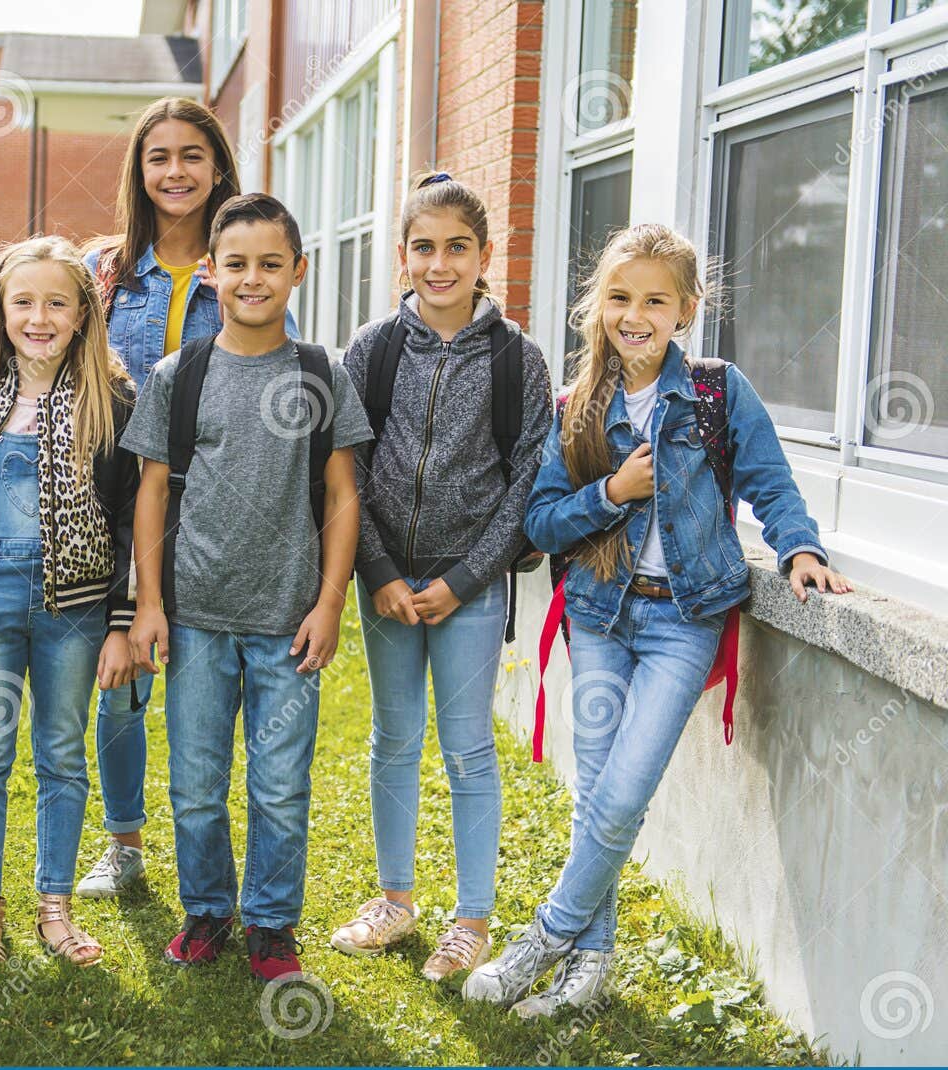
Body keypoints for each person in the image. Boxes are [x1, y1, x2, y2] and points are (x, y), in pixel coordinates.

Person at [464, 223, 851, 1017]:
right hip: (602, 615)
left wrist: (800, 547)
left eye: (654, 300)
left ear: (686, 310)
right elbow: (539, 524)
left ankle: (545, 935)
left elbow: (770, 481)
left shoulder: (715, 392)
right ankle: (590, 965)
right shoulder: (576, 408)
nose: (633, 315)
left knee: (622, 792)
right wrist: (613, 493)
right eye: (619, 297)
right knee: (596, 790)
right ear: (598, 304)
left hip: (683, 623)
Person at [123, 193, 372, 981]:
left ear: (299, 270)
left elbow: (342, 496)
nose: (253, 278)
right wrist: (152, 602)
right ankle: (207, 909)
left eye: (271, 264)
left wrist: (331, 602)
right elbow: (153, 490)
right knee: (196, 784)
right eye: (237, 264)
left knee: (278, 785)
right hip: (196, 616)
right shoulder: (179, 374)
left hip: (287, 620)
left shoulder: (320, 372)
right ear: (211, 273)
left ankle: (271, 922)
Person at [330, 172, 551, 981]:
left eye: (458, 246)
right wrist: (380, 570)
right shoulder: (373, 348)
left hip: (472, 582)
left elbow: (528, 481)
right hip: (386, 579)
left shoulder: (516, 359)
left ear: (485, 255)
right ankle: (394, 899)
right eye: (424, 246)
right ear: (402, 256)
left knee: (465, 748)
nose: (440, 262)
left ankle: (472, 918)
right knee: (394, 738)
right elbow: (345, 467)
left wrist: (463, 578)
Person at [78, 96, 296, 898]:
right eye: (158, 156)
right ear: (139, 169)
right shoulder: (106, 272)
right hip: (123, 497)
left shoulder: (245, 261)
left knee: (213, 686)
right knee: (122, 672)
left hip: (216, 509)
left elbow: (279, 385)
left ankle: (231, 857)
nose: (175, 171)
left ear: (218, 167)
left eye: (192, 156)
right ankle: (126, 844)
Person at [0, 236, 138, 969]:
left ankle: (55, 905)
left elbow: (130, 519)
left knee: (61, 756)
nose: (39, 316)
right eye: (24, 302)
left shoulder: (112, 403)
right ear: (1, 309)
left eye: (57, 303)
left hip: (75, 607)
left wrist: (119, 622)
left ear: (83, 313)